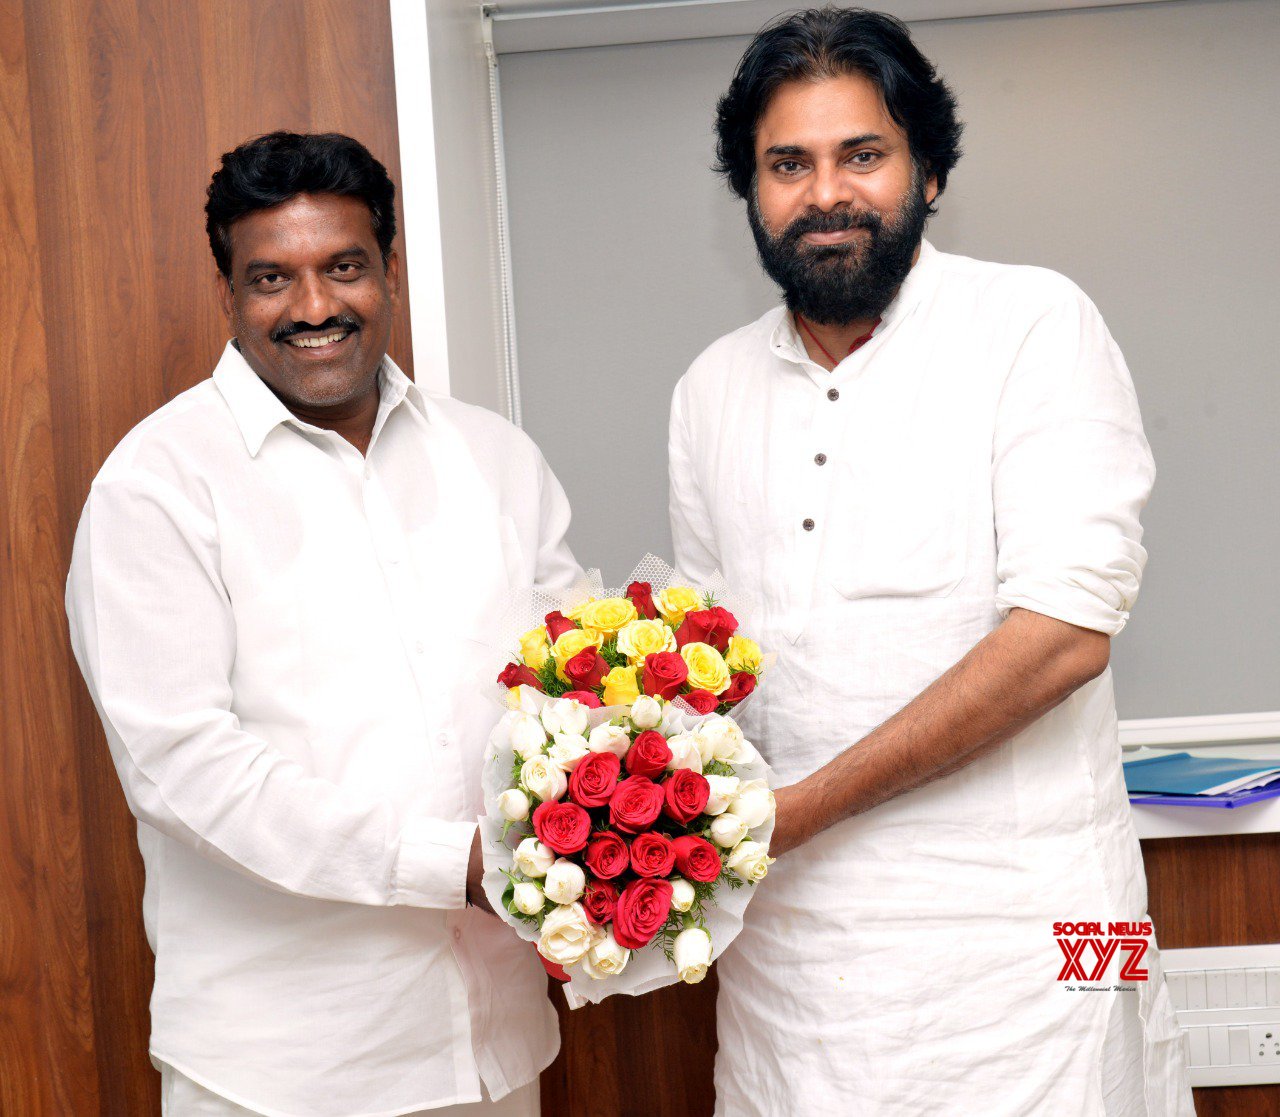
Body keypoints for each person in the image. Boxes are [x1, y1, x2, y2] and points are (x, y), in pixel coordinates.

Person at [667, 10, 1193, 1115]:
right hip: (797, 973)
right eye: (786, 165)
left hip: (1033, 943)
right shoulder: (708, 388)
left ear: (929, 170)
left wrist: (797, 810)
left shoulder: (1032, 324)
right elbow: (709, 677)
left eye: (861, 154)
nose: (824, 194)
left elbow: (1060, 637)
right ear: (748, 191)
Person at [65, 132, 578, 1117]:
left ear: (387, 269)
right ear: (227, 291)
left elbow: (566, 691)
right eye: (271, 277)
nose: (312, 307)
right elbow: (186, 769)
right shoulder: (158, 486)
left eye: (342, 266)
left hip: (497, 1048)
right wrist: (454, 864)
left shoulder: (493, 456)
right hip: (283, 1071)